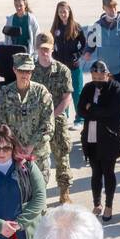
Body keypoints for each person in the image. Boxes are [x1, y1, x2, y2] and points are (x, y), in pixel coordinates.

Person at [0, 53, 54, 191]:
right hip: (13, 155)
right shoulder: (4, 93)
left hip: (38, 154)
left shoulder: (41, 92)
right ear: (14, 69)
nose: (25, 74)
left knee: (39, 196)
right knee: (17, 196)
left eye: (28, 71)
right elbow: (1, 125)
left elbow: (48, 125)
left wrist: (30, 146)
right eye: (21, 70)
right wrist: (17, 146)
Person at [77, 61, 120, 220]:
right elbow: (81, 110)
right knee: (96, 172)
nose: (97, 79)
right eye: (94, 76)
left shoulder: (116, 87)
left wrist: (92, 108)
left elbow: (111, 111)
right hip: (91, 136)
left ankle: (109, 205)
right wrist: (94, 111)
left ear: (107, 74)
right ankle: (97, 203)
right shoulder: (88, 88)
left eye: (100, 77)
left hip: (108, 137)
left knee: (108, 172)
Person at [33, 32, 75, 203]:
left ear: (52, 49)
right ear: (36, 49)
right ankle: (37, 192)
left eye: (47, 49)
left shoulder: (62, 70)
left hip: (57, 119)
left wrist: (52, 115)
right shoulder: (31, 71)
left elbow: (67, 97)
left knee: (62, 154)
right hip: (36, 121)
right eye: (42, 49)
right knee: (37, 157)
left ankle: (64, 191)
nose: (45, 53)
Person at [86, 0, 120, 111]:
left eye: (114, 6)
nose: (112, 9)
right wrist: (87, 52)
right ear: (103, 8)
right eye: (109, 7)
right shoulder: (97, 26)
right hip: (102, 73)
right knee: (103, 99)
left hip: (119, 70)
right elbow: (90, 44)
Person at [51, 1, 87, 124]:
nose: (62, 14)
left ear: (69, 11)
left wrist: (77, 55)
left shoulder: (76, 26)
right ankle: (64, 117)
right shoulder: (56, 28)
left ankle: (80, 118)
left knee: (77, 93)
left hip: (74, 67)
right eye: (60, 12)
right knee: (62, 93)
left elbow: (84, 44)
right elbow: (51, 43)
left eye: (64, 11)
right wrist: (54, 55)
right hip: (61, 67)